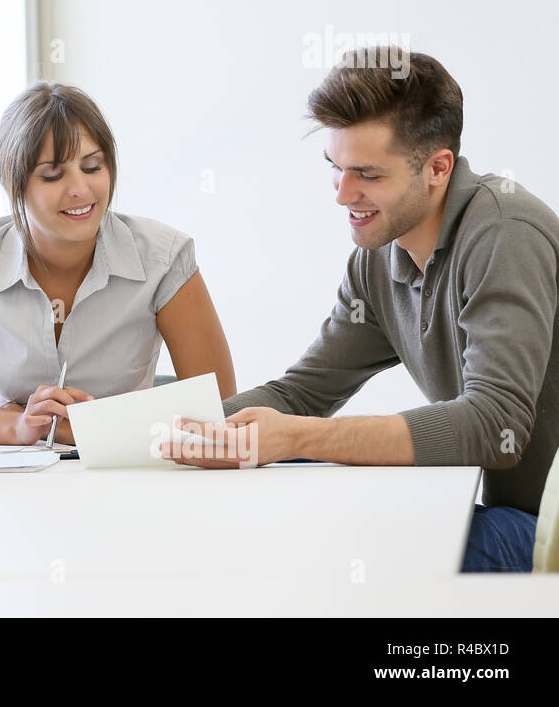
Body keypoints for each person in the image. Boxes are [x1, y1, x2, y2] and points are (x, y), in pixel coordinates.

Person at [162, 48, 559, 573]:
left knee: (373, 534)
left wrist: (295, 436)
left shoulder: (505, 235)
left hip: (541, 528)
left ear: (438, 167)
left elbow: (493, 425)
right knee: (302, 485)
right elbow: (302, 393)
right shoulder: (378, 260)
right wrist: (158, 432)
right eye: (336, 168)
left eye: (367, 174)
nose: (343, 194)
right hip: (513, 514)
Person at [0, 81, 235, 446]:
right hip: (5, 486)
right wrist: (14, 428)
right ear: (13, 182)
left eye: (93, 168)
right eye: (53, 175)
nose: (80, 189)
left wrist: (59, 427)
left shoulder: (164, 258)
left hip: (127, 480)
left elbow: (219, 414)